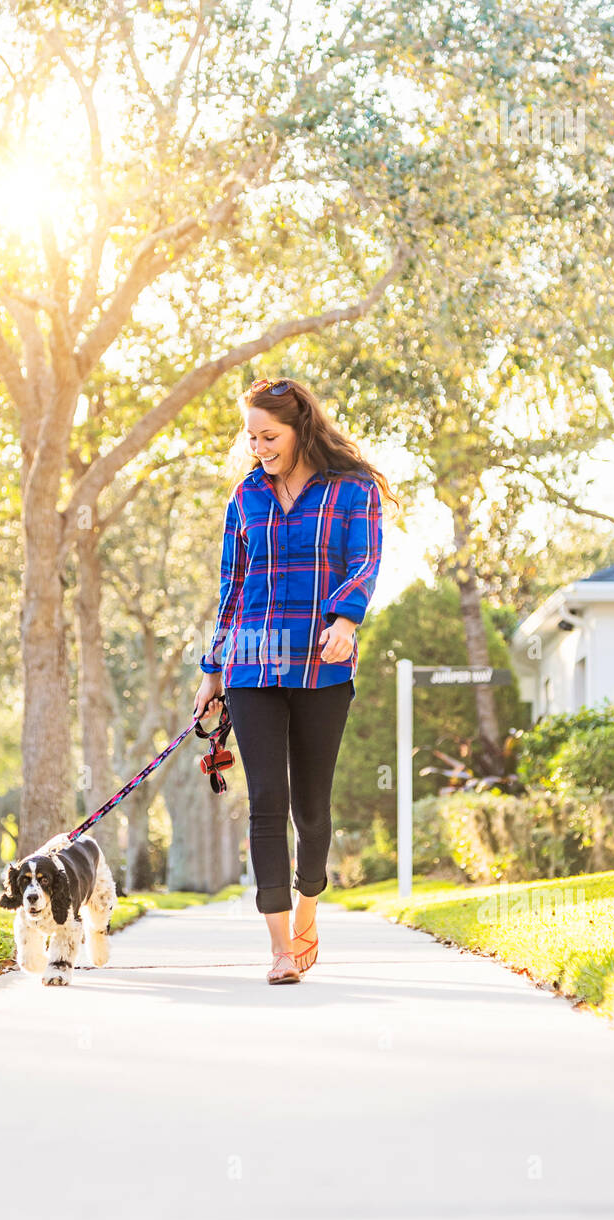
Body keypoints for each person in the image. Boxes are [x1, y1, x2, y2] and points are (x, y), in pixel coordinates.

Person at [193, 376, 393, 984]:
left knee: (310, 805)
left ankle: (309, 903)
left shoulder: (353, 489)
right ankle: (280, 944)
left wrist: (346, 619)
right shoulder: (245, 496)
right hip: (253, 663)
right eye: (251, 436)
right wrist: (212, 671)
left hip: (322, 664)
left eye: (269, 435)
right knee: (266, 805)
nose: (258, 446)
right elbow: (231, 588)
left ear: (301, 426)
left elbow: (367, 560)